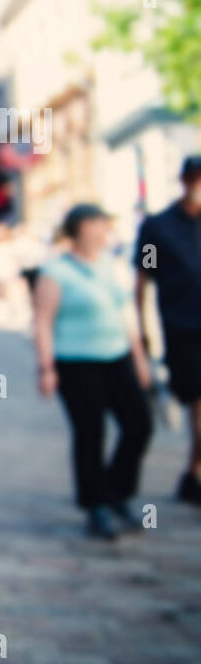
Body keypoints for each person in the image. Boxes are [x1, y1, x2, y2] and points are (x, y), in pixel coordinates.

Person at [33, 204, 154, 540]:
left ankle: (116, 490)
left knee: (139, 424)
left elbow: (126, 312)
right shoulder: (55, 272)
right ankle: (95, 506)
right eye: (97, 223)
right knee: (90, 433)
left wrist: (140, 358)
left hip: (116, 357)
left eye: (104, 222)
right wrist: (46, 367)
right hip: (75, 362)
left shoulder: (110, 265)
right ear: (79, 228)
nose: (103, 229)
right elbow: (42, 322)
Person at [134, 155, 201, 506]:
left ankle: (193, 472)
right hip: (182, 328)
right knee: (196, 402)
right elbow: (142, 277)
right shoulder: (157, 228)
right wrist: (140, 328)